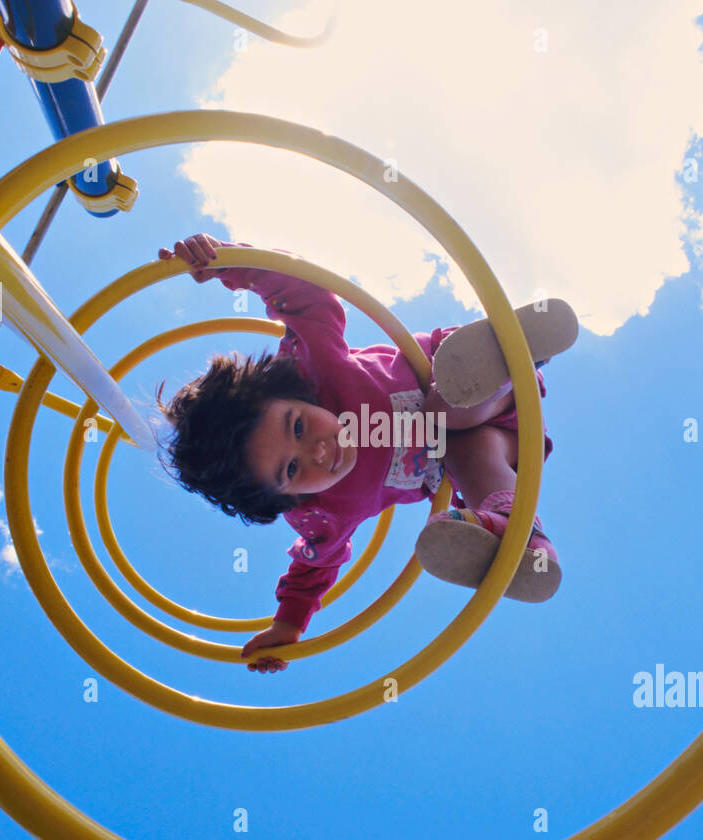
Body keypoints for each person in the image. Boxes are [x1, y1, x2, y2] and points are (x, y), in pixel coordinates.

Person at [157, 234, 577, 673]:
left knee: (444, 406)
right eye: (293, 469)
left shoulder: (315, 367)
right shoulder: (322, 514)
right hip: (481, 451)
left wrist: (226, 261)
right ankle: (518, 536)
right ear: (288, 500)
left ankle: (507, 355)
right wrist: (288, 624)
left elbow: (302, 292)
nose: (318, 450)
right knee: (465, 456)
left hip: (471, 391)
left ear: (292, 392)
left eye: (298, 425)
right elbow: (315, 565)